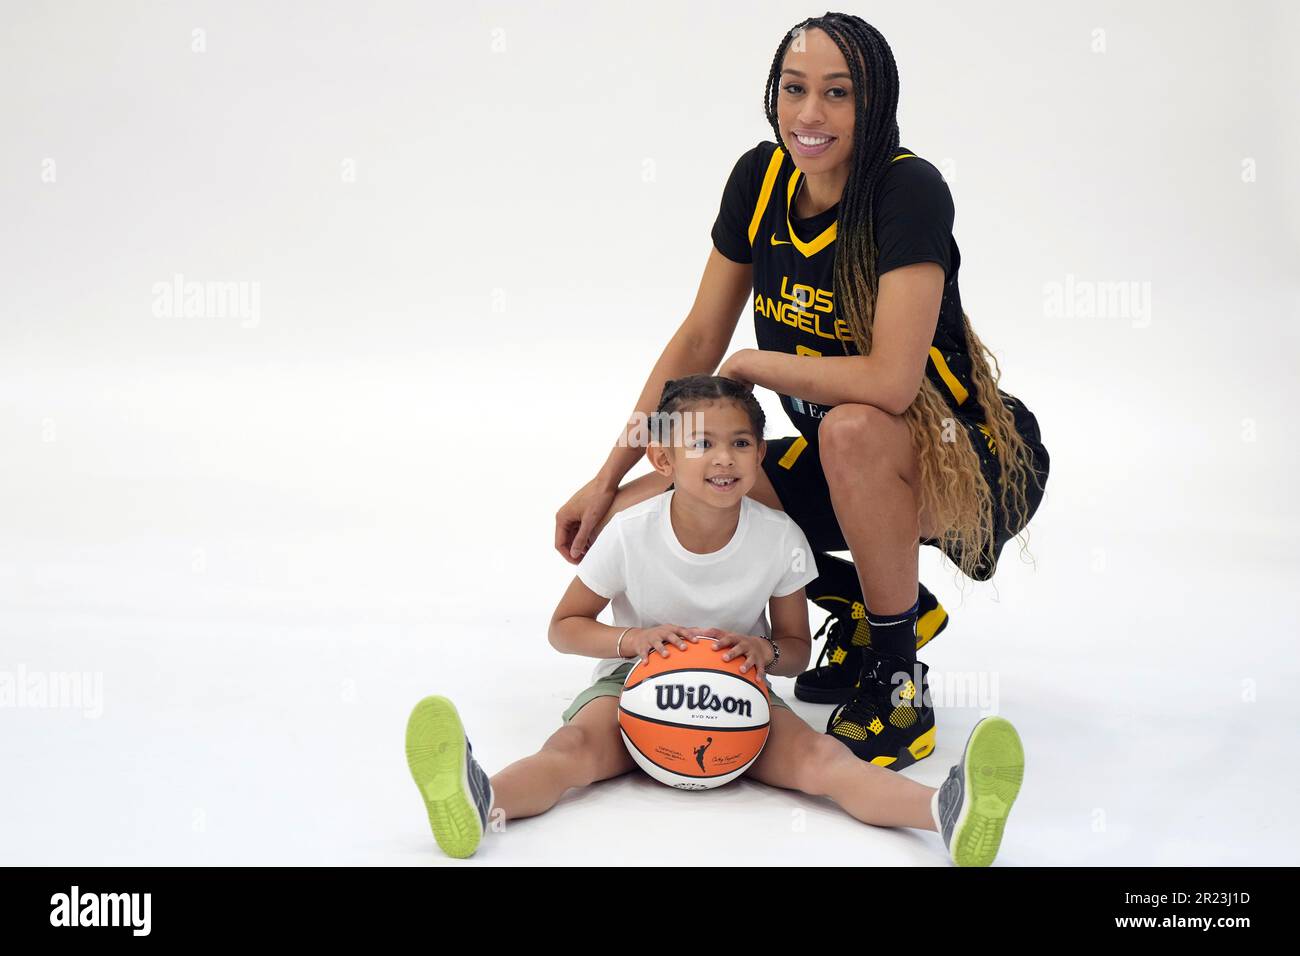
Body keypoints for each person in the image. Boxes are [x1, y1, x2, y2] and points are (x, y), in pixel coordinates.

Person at [554, 13, 1049, 769]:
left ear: (873, 103)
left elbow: (891, 380)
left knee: (850, 428)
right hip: (847, 461)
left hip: (970, 461)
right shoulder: (760, 179)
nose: (809, 114)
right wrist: (605, 477)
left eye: (837, 93)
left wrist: (755, 366)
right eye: (794, 89)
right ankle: (873, 603)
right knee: (671, 496)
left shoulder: (905, 190)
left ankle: (895, 678)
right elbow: (695, 342)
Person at [406, 377, 1026, 865]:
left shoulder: (780, 539)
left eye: (740, 443)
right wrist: (633, 641)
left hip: (738, 697)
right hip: (633, 689)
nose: (723, 458)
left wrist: (764, 653)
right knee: (570, 752)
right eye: (701, 443)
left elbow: (795, 649)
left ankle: (947, 811)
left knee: (824, 761)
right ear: (663, 458)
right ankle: (480, 797)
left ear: (760, 453)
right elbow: (563, 626)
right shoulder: (629, 535)